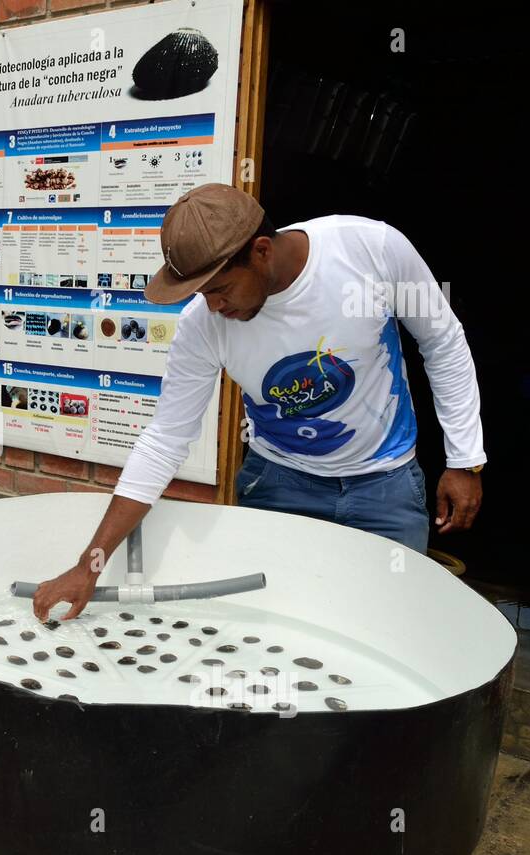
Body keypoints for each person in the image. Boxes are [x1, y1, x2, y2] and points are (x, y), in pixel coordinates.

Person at [32, 184, 485, 622]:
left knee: (389, 626)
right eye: (202, 294)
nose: (213, 306)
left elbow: (442, 341)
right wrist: (88, 565)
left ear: (262, 251)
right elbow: (165, 439)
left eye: (220, 288)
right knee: (275, 630)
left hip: (386, 486)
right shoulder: (201, 326)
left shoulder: (371, 250)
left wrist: (465, 460)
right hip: (279, 485)